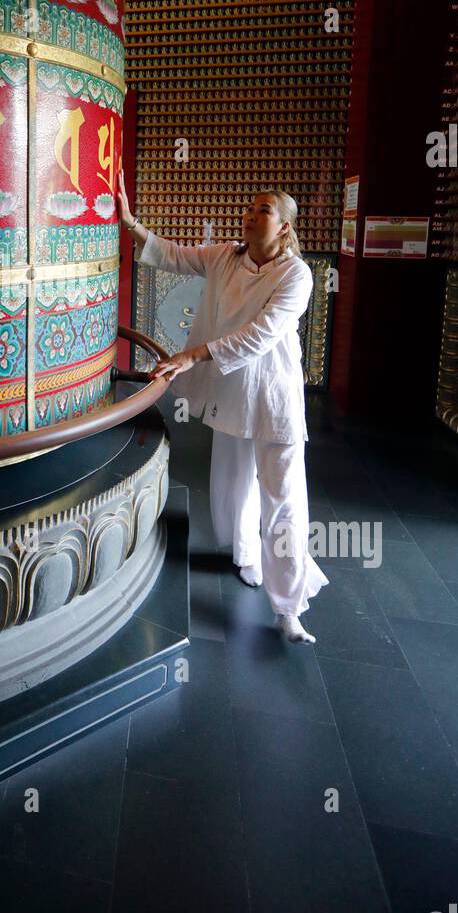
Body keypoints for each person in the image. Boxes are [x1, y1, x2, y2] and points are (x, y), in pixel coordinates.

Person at [116, 168, 328, 644]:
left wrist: (191, 355)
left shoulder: (296, 273)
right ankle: (244, 553)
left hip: (273, 394)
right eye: (251, 208)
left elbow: (263, 333)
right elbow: (173, 254)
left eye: (264, 211)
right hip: (233, 393)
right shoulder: (226, 257)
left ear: (285, 227)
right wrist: (131, 222)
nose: (251, 216)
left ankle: (289, 606)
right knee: (231, 481)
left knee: (284, 498)